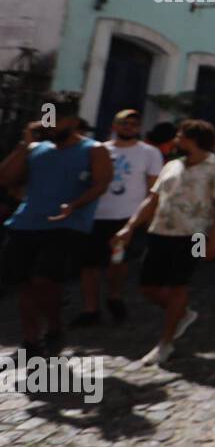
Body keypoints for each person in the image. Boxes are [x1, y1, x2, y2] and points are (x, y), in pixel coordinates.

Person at [0, 96, 113, 355]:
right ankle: (30, 340)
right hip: (25, 223)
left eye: (55, 120)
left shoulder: (94, 149)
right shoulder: (34, 150)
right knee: (25, 283)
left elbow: (101, 183)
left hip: (66, 225)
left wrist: (75, 205)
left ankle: (53, 324)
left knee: (44, 279)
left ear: (72, 121)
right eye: (46, 119)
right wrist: (23, 144)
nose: (49, 126)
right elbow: (5, 177)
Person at [115, 119, 215, 365]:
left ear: (193, 140)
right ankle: (182, 313)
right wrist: (129, 226)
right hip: (160, 232)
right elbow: (152, 198)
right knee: (147, 287)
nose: (176, 140)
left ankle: (165, 343)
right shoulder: (171, 165)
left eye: (180, 136)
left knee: (180, 284)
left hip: (196, 235)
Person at [75, 109, 163, 326]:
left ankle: (115, 296)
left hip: (125, 217)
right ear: (114, 126)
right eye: (124, 123)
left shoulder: (149, 153)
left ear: (139, 128)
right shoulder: (98, 150)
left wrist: (148, 215)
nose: (129, 127)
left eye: (134, 124)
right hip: (95, 215)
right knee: (89, 264)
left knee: (118, 261)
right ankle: (90, 308)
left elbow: (153, 187)